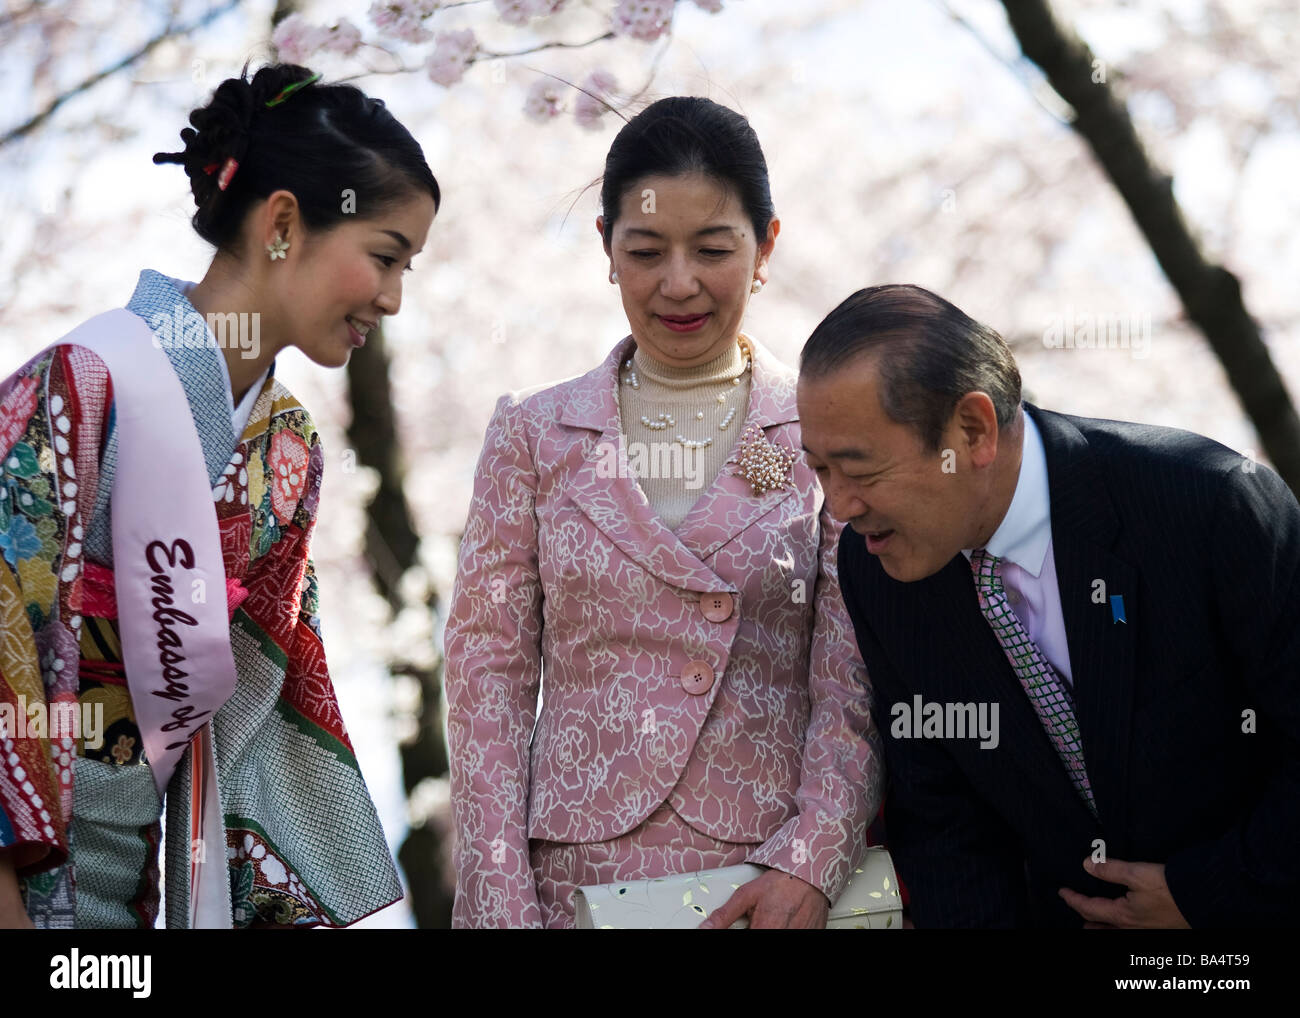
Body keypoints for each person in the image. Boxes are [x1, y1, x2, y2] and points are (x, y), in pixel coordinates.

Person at [0, 63, 439, 928]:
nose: (391, 297)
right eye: (385, 257)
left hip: (133, 884)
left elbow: (261, 707)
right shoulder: (79, 387)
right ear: (282, 223)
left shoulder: (289, 453)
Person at [445, 96, 881, 929]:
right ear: (606, 247)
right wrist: (499, 899)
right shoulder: (533, 437)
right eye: (646, 251)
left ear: (766, 247)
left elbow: (850, 677)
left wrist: (814, 859)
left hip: (769, 879)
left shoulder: (820, 432)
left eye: (713, 249)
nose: (678, 284)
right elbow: (486, 681)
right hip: (570, 882)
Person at [797, 283, 1300, 927]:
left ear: (972, 430)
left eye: (861, 472)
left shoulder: (1210, 505)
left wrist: (1208, 894)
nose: (840, 507)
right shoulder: (876, 570)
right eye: (819, 471)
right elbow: (945, 820)